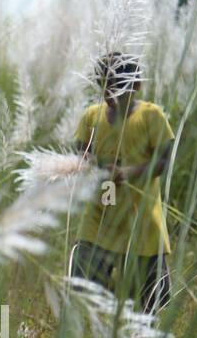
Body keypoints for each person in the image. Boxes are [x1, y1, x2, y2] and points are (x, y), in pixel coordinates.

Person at [71, 51, 175, 313]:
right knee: (86, 291)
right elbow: (80, 152)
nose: (111, 91)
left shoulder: (151, 117)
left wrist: (128, 172)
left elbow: (164, 161)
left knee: (147, 302)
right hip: (98, 218)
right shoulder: (92, 117)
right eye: (104, 84)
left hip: (141, 221)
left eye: (119, 84)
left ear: (137, 85)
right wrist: (92, 165)